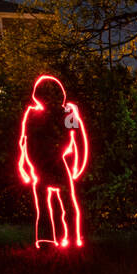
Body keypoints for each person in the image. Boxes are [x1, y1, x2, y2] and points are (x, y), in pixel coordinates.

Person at [18, 75, 89, 248]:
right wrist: (25, 162)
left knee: (65, 202)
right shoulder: (33, 115)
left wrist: (77, 164)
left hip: (55, 163)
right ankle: (48, 239)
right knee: (48, 203)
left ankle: (70, 238)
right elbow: (25, 141)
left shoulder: (66, 112)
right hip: (41, 165)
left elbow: (77, 138)